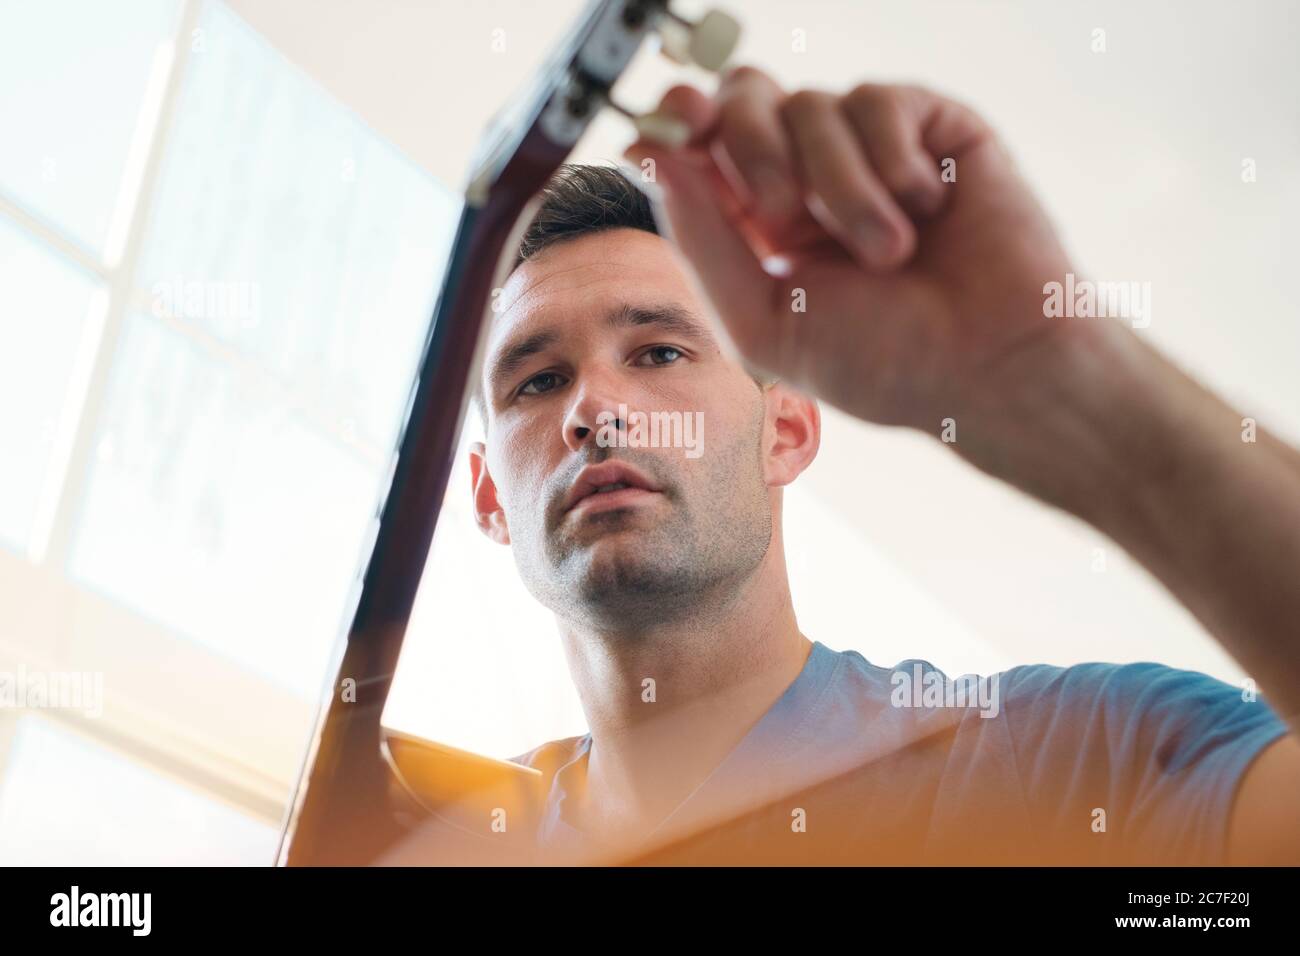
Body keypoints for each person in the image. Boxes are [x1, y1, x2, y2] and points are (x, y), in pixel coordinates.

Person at [464, 67, 1299, 865]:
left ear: (784, 433)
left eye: (659, 352)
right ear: (490, 494)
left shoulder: (1075, 765)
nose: (592, 410)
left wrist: (1069, 377)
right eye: (538, 380)